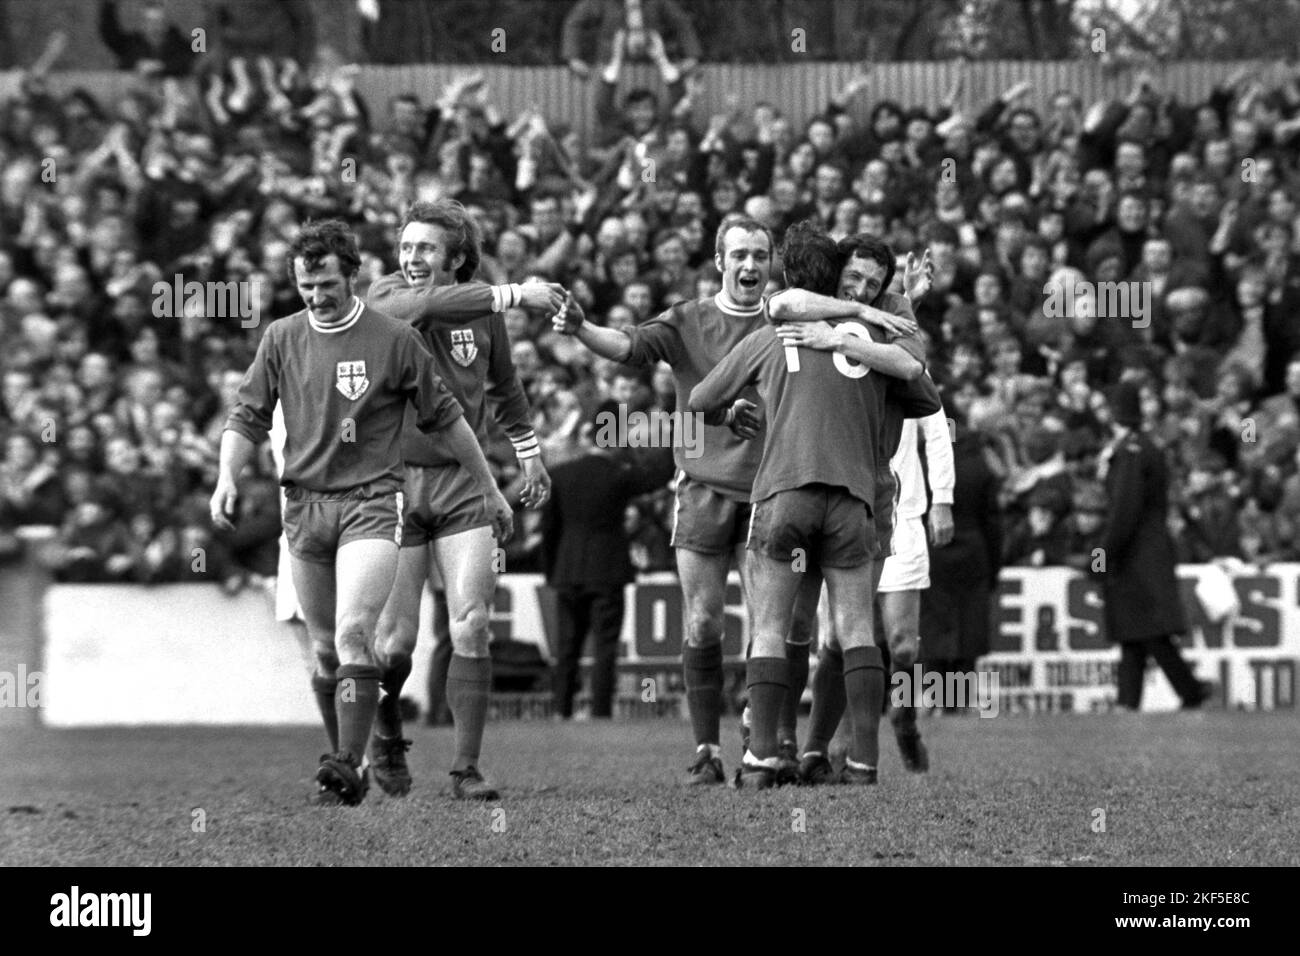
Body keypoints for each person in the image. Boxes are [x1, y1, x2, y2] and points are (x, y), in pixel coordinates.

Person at [554, 214, 916, 785]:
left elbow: (801, 310)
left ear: (774, 265)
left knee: (787, 627)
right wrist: (581, 328)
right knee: (707, 622)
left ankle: (775, 742)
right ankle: (713, 749)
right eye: (739, 254)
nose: (750, 264)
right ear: (719, 262)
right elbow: (628, 348)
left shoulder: (788, 315)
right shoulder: (699, 319)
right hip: (717, 487)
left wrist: (870, 311)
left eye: (759, 254)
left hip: (776, 492)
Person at [212, 219, 504, 807]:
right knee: (326, 648)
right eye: (305, 286)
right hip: (304, 507)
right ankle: (352, 755)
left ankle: (346, 764)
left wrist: (489, 486)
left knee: (354, 632)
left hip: (373, 500)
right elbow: (247, 416)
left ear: (353, 276)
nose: (317, 296)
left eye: (326, 284)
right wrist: (226, 477)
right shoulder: (281, 338)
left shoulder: (394, 338)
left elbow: (447, 417)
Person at [688, 222, 929, 787]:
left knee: (772, 627)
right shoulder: (885, 341)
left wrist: (731, 414)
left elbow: (700, 399)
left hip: (785, 491)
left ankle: (763, 756)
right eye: (856, 280)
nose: (865, 291)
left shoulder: (774, 332)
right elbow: (921, 388)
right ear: (840, 279)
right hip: (855, 498)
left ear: (788, 273)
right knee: (853, 631)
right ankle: (862, 762)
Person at [366, 199, 558, 800]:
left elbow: (505, 388)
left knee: (471, 623)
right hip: (394, 483)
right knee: (394, 645)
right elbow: (420, 306)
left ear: (456, 258)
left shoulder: (481, 313)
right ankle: (386, 719)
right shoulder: (384, 296)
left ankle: (466, 767)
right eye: (406, 246)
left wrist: (529, 454)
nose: (411, 258)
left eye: (425, 248)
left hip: (462, 484)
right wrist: (516, 292)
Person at [770, 234, 941, 783]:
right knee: (796, 625)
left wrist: (838, 338)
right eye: (855, 276)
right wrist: (855, 313)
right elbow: (782, 305)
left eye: (873, 283)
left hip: (869, 490)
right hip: (804, 478)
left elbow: (912, 369)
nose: (860, 287)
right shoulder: (816, 298)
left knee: (846, 634)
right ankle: (777, 741)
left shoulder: (892, 311)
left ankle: (823, 749)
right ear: (838, 268)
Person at [541, 400, 675, 719]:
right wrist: (672, 432)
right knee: (605, 647)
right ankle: (601, 711)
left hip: (568, 569)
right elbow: (661, 472)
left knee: (567, 648)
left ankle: (562, 710)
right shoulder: (620, 475)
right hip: (608, 570)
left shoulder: (560, 474)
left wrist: (552, 571)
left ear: (589, 435)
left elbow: (549, 530)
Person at [1096, 379, 1210, 711]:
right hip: (1147, 554)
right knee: (1138, 632)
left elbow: (1123, 512)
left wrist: (1100, 557)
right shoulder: (1143, 446)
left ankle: (1185, 691)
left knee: (1147, 630)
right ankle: (1131, 702)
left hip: (1137, 558)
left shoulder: (1130, 451)